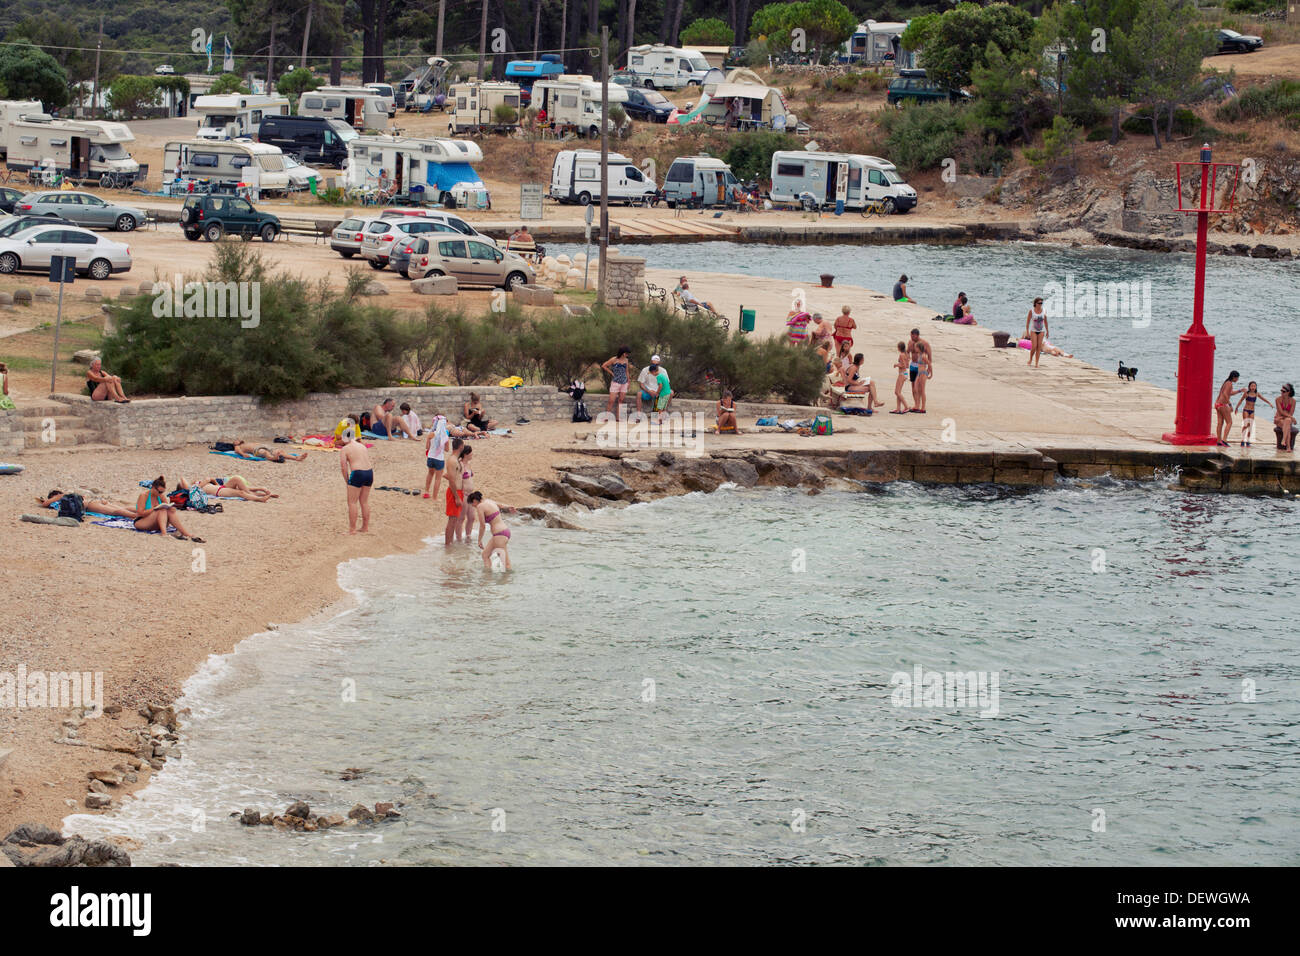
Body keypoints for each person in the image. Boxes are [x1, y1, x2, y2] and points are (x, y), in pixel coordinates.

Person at [134, 476, 201, 541]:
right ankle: (164, 533)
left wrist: (171, 509)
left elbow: (167, 506)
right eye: (159, 492)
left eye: (162, 492)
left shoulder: (160, 496)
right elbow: (139, 513)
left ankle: (185, 533)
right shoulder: (144, 496)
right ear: (153, 488)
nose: (161, 494)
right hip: (141, 522)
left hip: (156, 522)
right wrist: (153, 509)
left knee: (168, 511)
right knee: (161, 510)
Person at [468, 491, 512, 570]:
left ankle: (508, 581)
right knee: (485, 555)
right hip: (503, 532)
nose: (473, 506)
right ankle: (487, 578)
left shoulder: (480, 506)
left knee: (506, 564)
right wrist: (509, 507)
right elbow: (501, 505)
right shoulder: (489, 501)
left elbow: (482, 526)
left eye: (472, 504)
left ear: (474, 500)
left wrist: (479, 540)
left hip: (499, 535)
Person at [340, 434, 374, 534]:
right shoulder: (362, 446)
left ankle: (352, 529)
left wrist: (347, 481)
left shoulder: (345, 449)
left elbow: (343, 467)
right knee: (364, 502)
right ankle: (365, 527)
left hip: (357, 473)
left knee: (352, 502)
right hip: (369, 472)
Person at [38, 490, 139, 519]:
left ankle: (136, 516)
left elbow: (45, 504)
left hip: (91, 505)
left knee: (115, 512)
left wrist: (55, 497)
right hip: (96, 501)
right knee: (122, 508)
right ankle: (142, 510)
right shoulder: (72, 496)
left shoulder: (62, 497)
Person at [444, 443, 472, 545]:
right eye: (463, 446)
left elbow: (452, 477)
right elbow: (450, 479)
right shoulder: (452, 460)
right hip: (454, 492)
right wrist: (456, 496)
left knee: (455, 519)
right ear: (460, 447)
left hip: (459, 492)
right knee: (452, 520)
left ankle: (450, 543)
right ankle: (447, 545)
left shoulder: (456, 461)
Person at [1234, 381, 1273, 447]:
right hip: (1246, 410)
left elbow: (1263, 399)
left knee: (1250, 426)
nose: (1253, 387)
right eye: (1252, 386)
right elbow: (1241, 400)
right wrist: (1237, 408)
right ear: (1249, 387)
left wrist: (1269, 403)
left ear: (1256, 387)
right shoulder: (1246, 393)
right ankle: (1243, 440)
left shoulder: (1257, 394)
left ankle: (1248, 441)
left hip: (1252, 411)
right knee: (1245, 424)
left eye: (1254, 386)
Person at [423, 414, 451, 499]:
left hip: (430, 457)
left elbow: (427, 447)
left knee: (430, 474)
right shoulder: (445, 436)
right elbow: (447, 449)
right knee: (438, 479)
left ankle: (426, 492)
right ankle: (434, 497)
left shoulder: (431, 434)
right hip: (439, 459)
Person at [601, 347, 633, 419]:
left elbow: (626, 371)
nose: (627, 355)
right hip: (615, 382)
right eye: (626, 353)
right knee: (611, 400)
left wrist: (628, 381)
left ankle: (618, 418)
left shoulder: (626, 360)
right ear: (622, 353)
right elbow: (604, 366)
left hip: (624, 382)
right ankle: (606, 417)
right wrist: (612, 373)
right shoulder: (614, 359)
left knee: (621, 400)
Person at [907, 329, 933, 413]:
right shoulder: (910, 342)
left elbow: (929, 357)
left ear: (917, 335)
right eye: (911, 336)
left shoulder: (924, 343)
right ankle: (916, 405)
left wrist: (929, 370)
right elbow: (907, 352)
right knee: (914, 387)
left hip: (922, 370)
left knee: (920, 389)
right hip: (913, 366)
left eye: (913, 336)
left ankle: (922, 407)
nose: (911, 337)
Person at [1214, 371, 1242, 447]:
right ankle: (1224, 440)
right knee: (1229, 422)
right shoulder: (1229, 383)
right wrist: (1230, 404)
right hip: (1223, 404)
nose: (1237, 379)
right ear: (1234, 377)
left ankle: (1219, 441)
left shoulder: (1226, 382)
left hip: (1217, 404)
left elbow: (1229, 393)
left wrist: (1240, 391)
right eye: (1237, 378)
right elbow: (1225, 394)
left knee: (1220, 423)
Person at [228, 439, 306, 462]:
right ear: (234, 444)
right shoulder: (238, 446)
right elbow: (237, 451)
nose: (237, 440)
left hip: (264, 446)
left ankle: (296, 458)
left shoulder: (247, 442)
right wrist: (243, 454)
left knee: (280, 451)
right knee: (265, 452)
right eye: (235, 440)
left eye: (237, 439)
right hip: (256, 449)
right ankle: (273, 458)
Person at [1023, 297, 1049, 368]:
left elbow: (1045, 321)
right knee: (1034, 346)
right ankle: (1030, 359)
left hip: (1041, 331)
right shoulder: (1031, 311)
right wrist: (1027, 332)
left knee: (1039, 347)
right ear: (1035, 303)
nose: (1040, 305)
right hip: (1033, 331)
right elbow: (1028, 322)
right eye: (1039, 303)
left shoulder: (1044, 310)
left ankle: (1036, 363)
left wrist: (1047, 331)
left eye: (1041, 303)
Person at [891, 341, 912, 414]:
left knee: (897, 392)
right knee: (898, 392)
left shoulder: (901, 355)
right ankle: (898, 408)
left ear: (899, 348)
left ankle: (906, 406)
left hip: (902, 373)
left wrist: (896, 365)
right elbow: (907, 365)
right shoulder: (907, 354)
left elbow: (903, 365)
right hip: (905, 373)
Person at [1274, 383, 1296, 451]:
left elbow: (1291, 413)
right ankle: (1288, 446)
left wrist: (1287, 417)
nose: (1281, 393)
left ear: (1288, 392)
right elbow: (1280, 412)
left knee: (1287, 422)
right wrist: (1291, 418)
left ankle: (1284, 440)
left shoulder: (1293, 401)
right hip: (1278, 419)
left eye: (1283, 391)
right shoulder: (1278, 399)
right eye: (1281, 391)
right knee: (1288, 423)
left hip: (1283, 419)